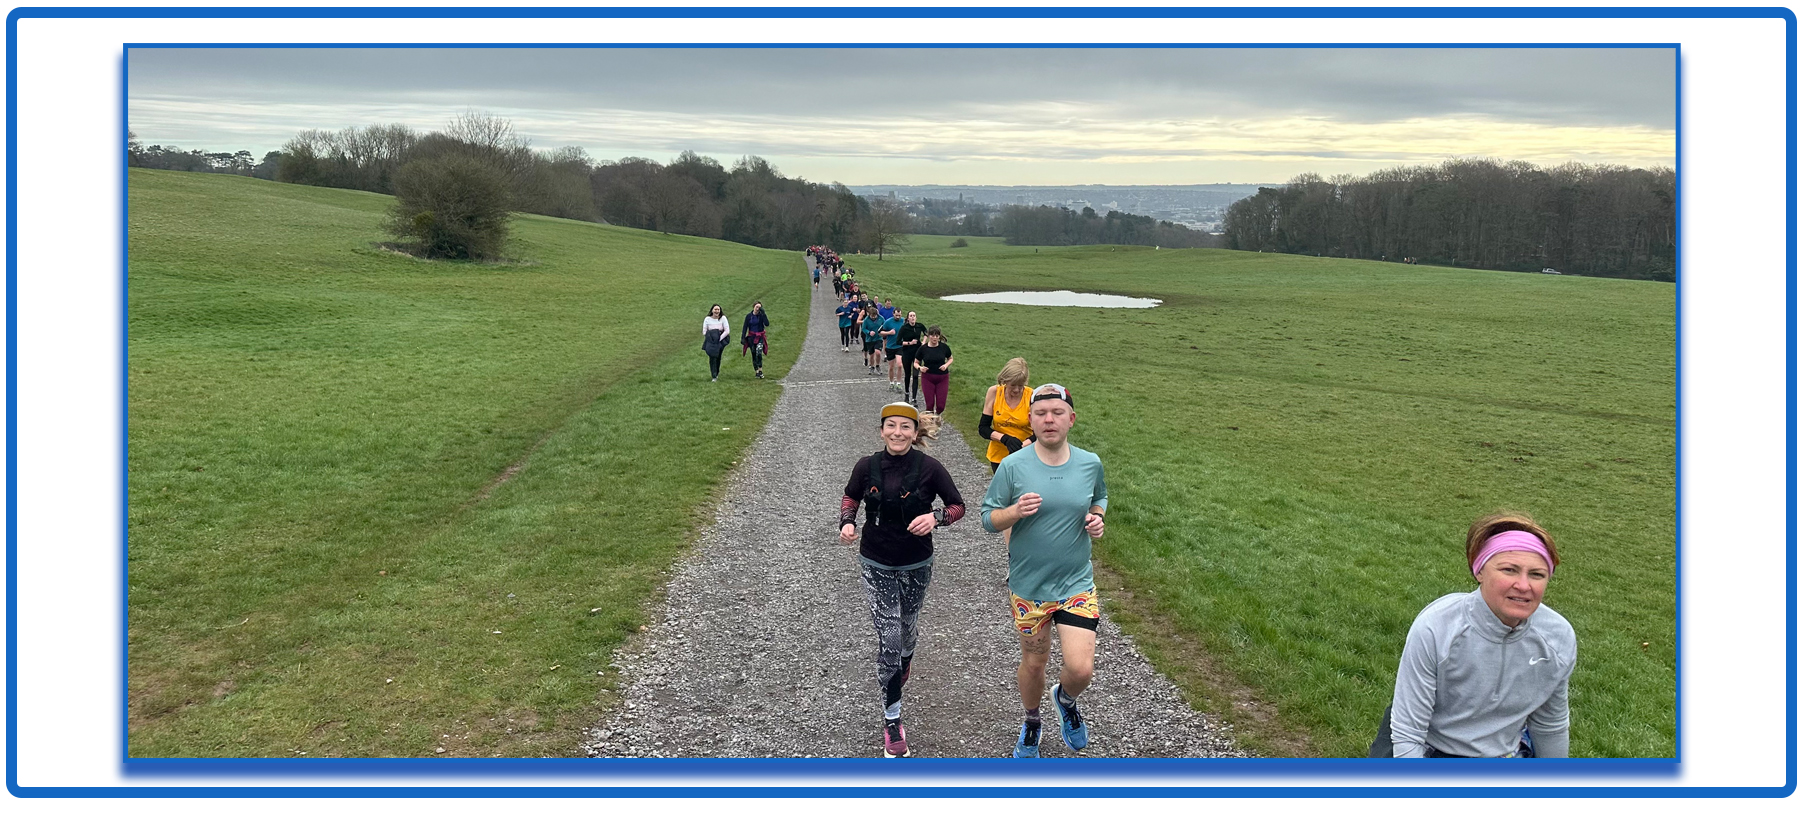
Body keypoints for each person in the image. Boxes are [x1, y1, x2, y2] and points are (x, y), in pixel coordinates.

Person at [1369, 513, 1576, 759]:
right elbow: (1408, 733)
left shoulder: (1558, 637)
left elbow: (1549, 725)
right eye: (1509, 570)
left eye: (1537, 575)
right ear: (1479, 571)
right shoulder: (1436, 627)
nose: (1523, 585)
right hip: (1428, 748)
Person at [978, 383, 1107, 758]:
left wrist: (1097, 517)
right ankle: (1032, 721)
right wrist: (1014, 512)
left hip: (1076, 584)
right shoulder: (1012, 466)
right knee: (1034, 664)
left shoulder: (1090, 462)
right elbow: (988, 518)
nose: (1049, 420)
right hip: (1029, 587)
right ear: (1030, 421)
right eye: (1040, 413)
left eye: (1056, 413)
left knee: (1081, 669)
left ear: (1071, 419)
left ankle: (1065, 700)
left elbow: (1099, 496)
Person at [839, 401, 966, 758]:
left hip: (916, 563)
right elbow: (851, 497)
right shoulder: (866, 466)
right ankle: (892, 720)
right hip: (875, 560)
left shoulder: (930, 468)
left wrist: (936, 519)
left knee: (907, 630)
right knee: (890, 639)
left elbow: (958, 506)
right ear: (881, 430)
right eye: (891, 426)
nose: (897, 433)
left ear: (915, 432)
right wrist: (847, 522)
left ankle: (905, 658)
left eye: (905, 427)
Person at [979, 358, 1034, 473]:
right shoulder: (994, 392)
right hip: (999, 456)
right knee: (1003, 490)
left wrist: (1023, 445)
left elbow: (1041, 432)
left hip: (1026, 455)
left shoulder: (1032, 396)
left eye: (1021, 385)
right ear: (1004, 380)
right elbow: (983, 428)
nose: (1017, 390)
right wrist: (1005, 439)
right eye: (1013, 385)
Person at [913, 326, 953, 415]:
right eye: (932, 335)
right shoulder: (923, 349)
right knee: (929, 404)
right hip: (928, 378)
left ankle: (936, 416)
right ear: (929, 336)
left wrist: (946, 365)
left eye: (937, 336)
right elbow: (915, 363)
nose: (934, 338)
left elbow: (950, 358)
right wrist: (920, 368)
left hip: (942, 378)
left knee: (941, 406)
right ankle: (930, 423)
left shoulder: (944, 347)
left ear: (939, 336)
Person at [897, 311, 927, 404]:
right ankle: (907, 393)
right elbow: (898, 342)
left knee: (915, 376)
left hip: (917, 353)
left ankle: (914, 398)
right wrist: (909, 343)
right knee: (907, 375)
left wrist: (924, 342)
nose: (913, 317)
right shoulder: (904, 328)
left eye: (914, 316)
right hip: (907, 353)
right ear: (908, 318)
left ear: (916, 318)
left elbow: (926, 333)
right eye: (911, 316)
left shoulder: (919, 326)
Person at [741, 301, 770, 379]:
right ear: (753, 307)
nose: (758, 309)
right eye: (756, 307)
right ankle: (756, 371)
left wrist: (764, 314)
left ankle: (760, 369)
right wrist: (743, 337)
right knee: (753, 353)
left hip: (760, 336)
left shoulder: (761, 316)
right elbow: (745, 327)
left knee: (759, 352)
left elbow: (767, 324)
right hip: (751, 337)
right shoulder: (748, 316)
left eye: (759, 307)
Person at [701, 303, 730, 382]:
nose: (717, 311)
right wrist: (711, 338)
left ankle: (716, 372)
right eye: (715, 309)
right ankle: (713, 375)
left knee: (718, 356)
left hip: (720, 340)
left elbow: (727, 330)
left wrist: (719, 338)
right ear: (712, 310)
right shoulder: (707, 319)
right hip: (710, 341)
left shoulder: (723, 318)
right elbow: (704, 331)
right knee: (712, 357)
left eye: (718, 309)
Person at [881, 308, 904, 393]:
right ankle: (891, 382)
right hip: (890, 346)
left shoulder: (904, 321)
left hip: (900, 346)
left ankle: (898, 383)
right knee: (891, 367)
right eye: (896, 315)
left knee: (900, 365)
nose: (898, 317)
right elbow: (880, 332)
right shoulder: (888, 322)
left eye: (899, 315)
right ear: (893, 314)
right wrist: (889, 333)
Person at [861, 303, 885, 375]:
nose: (874, 317)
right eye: (872, 316)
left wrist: (883, 332)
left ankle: (877, 365)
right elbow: (863, 329)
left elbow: (884, 326)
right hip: (870, 339)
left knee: (878, 352)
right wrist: (869, 332)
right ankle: (871, 366)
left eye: (875, 316)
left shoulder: (881, 318)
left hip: (878, 338)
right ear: (869, 314)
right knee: (871, 355)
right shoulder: (866, 320)